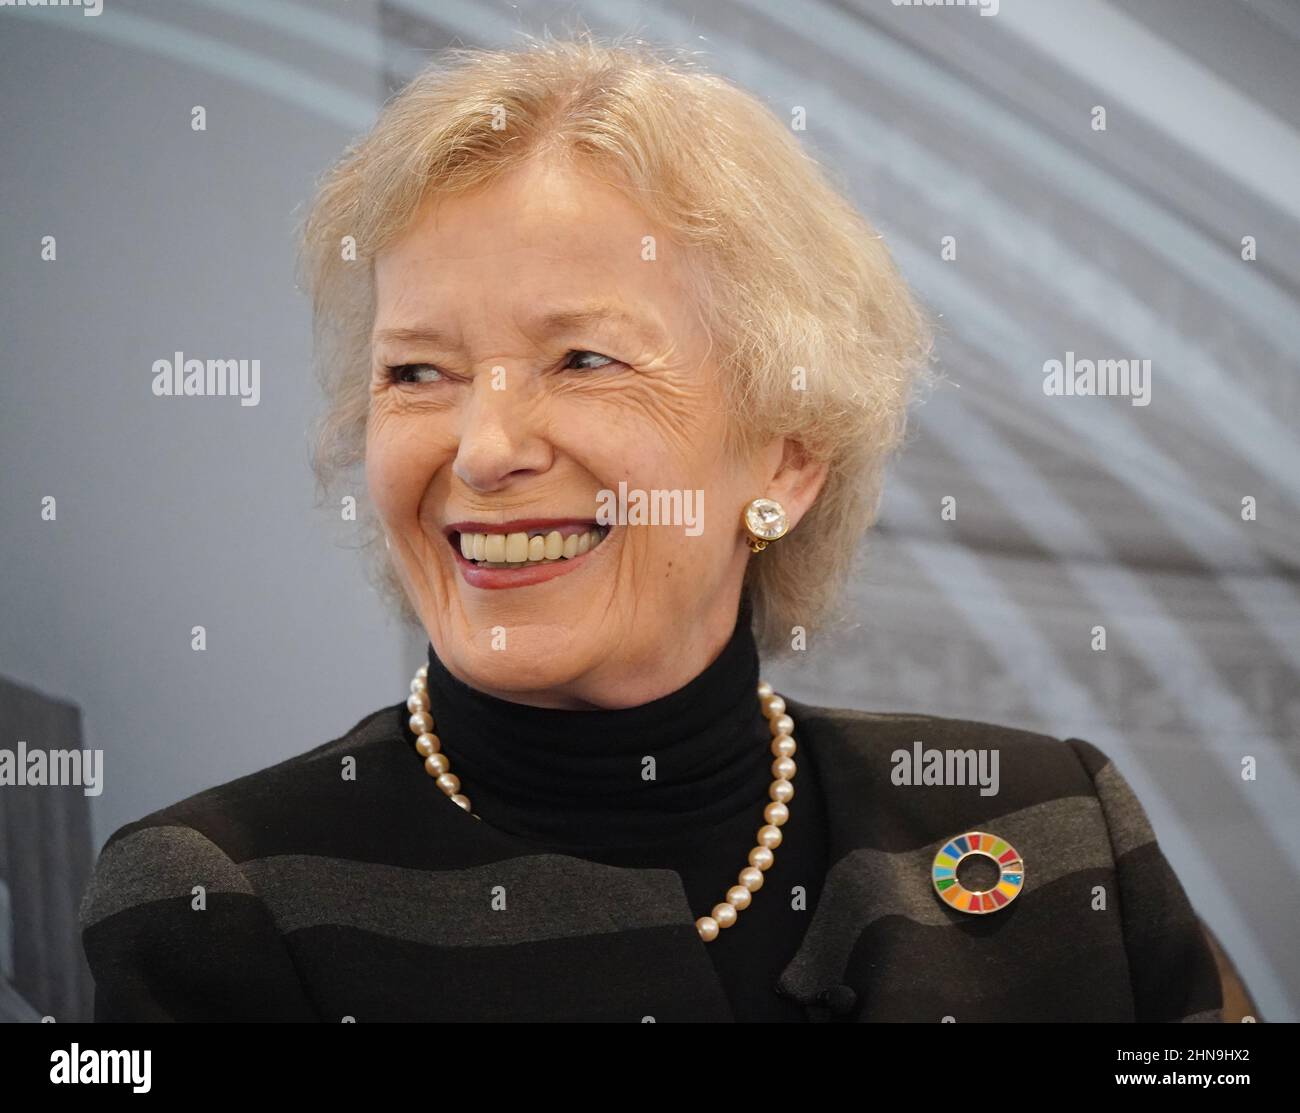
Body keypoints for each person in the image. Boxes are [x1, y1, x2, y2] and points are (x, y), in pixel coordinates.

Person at [78, 35, 1227, 1022]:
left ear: (784, 452)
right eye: (417, 372)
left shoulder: (1051, 830)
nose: (482, 449)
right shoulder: (221, 895)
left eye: (582, 360)